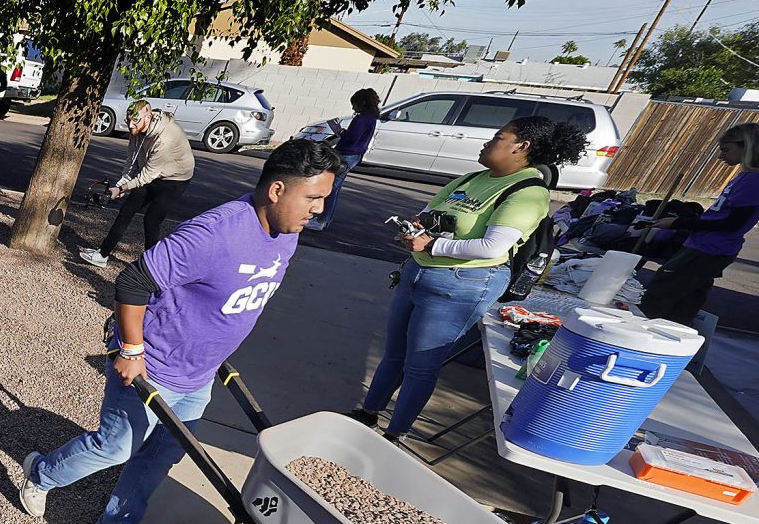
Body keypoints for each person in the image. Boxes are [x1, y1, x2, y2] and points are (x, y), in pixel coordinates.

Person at [15, 138, 341, 524]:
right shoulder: (215, 233)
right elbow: (133, 281)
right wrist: (131, 349)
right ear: (277, 190)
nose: (318, 210)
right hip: (154, 363)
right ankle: (40, 473)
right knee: (117, 447)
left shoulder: (285, 234)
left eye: (323, 200)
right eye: (313, 198)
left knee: (162, 454)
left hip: (199, 373)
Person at [352, 117, 587, 440]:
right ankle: (367, 413)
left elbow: (494, 246)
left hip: (462, 285)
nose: (487, 142)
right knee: (395, 352)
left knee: (420, 363)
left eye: (497, 137)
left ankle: (396, 432)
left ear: (522, 147)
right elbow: (428, 213)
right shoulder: (472, 178)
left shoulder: (528, 192)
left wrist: (433, 243)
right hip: (417, 272)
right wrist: (417, 230)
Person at [640, 123, 759, 326]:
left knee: (660, 293)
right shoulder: (745, 177)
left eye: (726, 150)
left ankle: (638, 336)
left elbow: (732, 223)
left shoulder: (754, 181)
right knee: (685, 300)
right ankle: (670, 341)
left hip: (709, 249)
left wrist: (678, 222)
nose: (721, 157)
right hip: (704, 245)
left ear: (747, 147)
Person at [75, 99, 196, 268]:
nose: (130, 126)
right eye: (128, 121)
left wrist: (121, 188)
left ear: (148, 117)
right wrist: (122, 183)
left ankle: (151, 267)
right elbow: (132, 160)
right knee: (126, 211)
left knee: (152, 220)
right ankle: (102, 255)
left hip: (174, 179)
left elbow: (146, 176)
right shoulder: (136, 131)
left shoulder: (165, 137)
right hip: (150, 172)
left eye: (135, 121)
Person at [306, 89, 382, 232]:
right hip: (355, 155)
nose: (353, 108)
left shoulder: (361, 119)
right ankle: (324, 219)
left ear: (362, 103)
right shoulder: (371, 118)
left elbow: (350, 138)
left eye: (355, 104)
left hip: (347, 153)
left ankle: (322, 220)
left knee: (332, 187)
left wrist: (340, 131)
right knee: (334, 186)